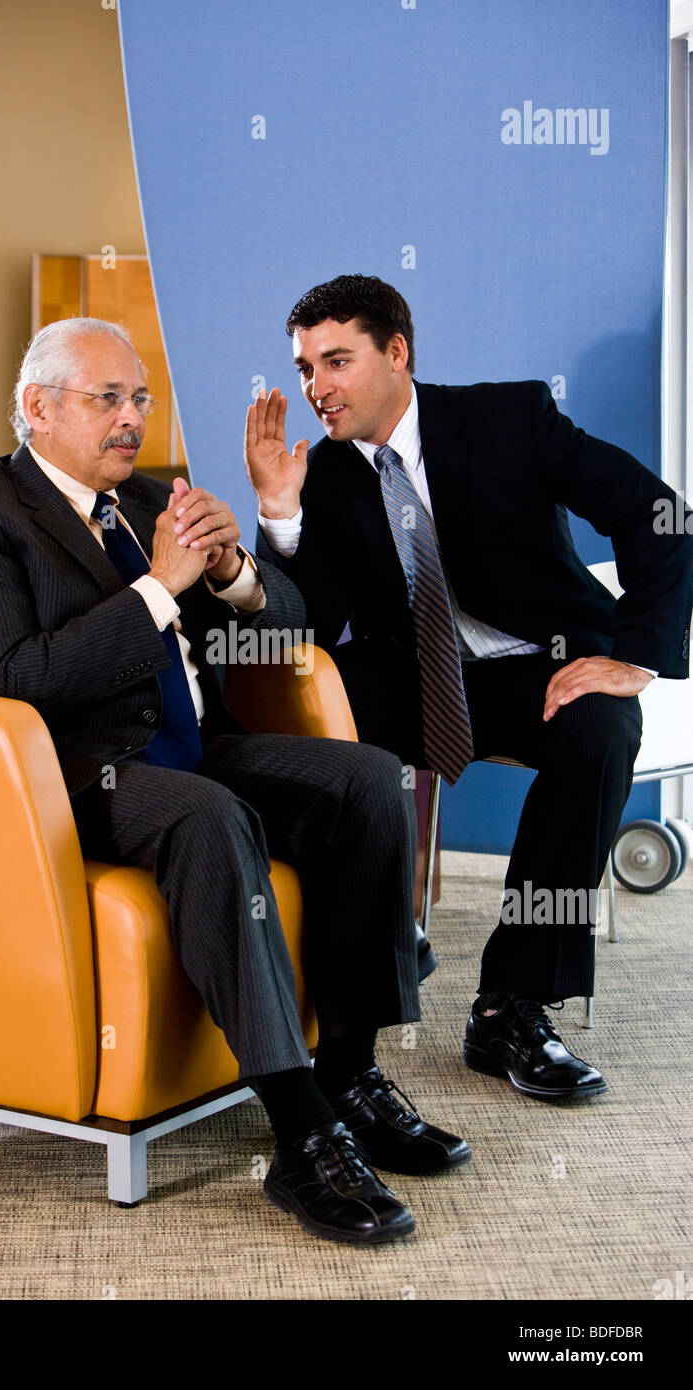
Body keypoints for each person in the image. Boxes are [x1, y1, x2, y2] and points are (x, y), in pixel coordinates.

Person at [0, 315, 472, 1248]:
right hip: (73, 776)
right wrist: (158, 590)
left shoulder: (146, 499)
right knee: (211, 817)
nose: (132, 418)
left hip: (197, 743)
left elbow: (283, 631)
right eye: (108, 400)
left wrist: (237, 569)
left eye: (139, 398)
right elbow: (5, 680)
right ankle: (300, 1135)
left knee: (371, 781)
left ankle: (350, 1073)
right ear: (36, 408)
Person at [248, 274, 693, 1103]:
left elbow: (658, 515)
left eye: (337, 361)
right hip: (417, 675)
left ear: (397, 352)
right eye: (307, 368)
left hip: (542, 663)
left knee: (601, 728)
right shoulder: (328, 476)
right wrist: (280, 514)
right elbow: (302, 630)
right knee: (312, 711)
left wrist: (635, 656)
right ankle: (358, 965)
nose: (318, 388)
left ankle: (512, 1005)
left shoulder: (510, 419)